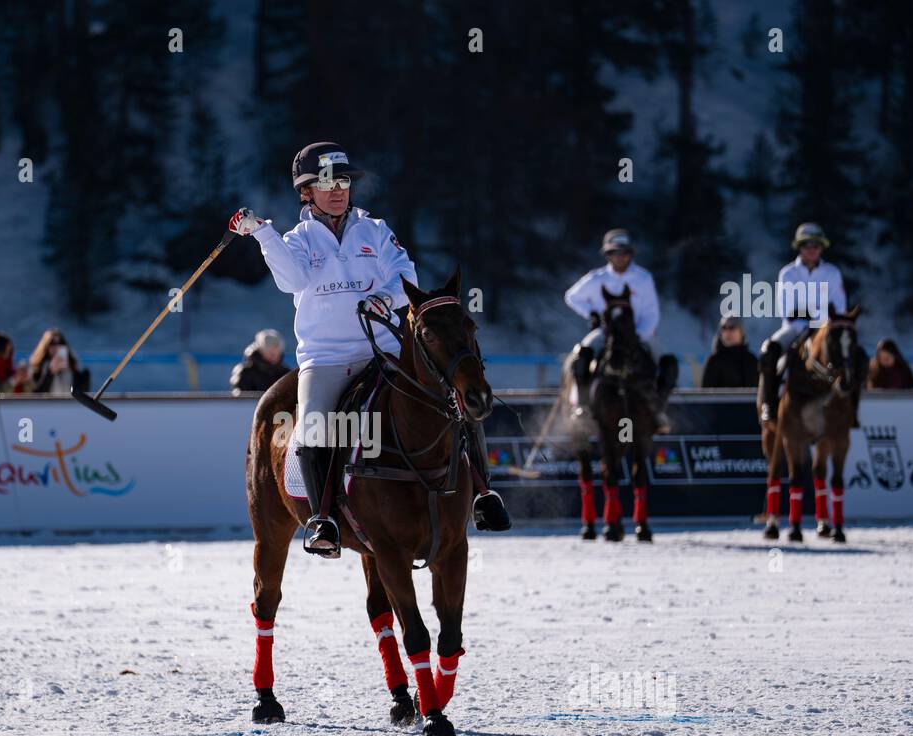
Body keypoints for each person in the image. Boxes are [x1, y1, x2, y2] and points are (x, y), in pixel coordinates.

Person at [229, 140, 510, 557]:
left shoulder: (375, 229)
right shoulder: (298, 239)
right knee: (313, 428)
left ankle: (484, 495)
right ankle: (323, 518)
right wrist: (262, 233)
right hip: (324, 359)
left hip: (380, 352)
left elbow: (404, 274)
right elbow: (291, 279)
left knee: (452, 401)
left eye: (342, 180)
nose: (337, 189)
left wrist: (384, 297)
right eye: (326, 182)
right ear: (307, 192)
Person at [563, 229, 669, 426]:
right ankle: (582, 407)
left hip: (638, 334)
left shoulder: (643, 279)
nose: (620, 257)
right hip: (604, 334)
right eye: (615, 253)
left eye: (624, 252)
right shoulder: (596, 278)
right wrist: (591, 313)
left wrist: (639, 336)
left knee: (666, 363)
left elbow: (651, 313)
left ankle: (659, 410)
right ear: (607, 255)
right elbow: (571, 296)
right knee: (581, 356)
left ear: (631, 254)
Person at [758, 222, 852, 423]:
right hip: (795, 329)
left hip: (825, 330)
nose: (811, 250)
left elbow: (840, 309)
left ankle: (852, 407)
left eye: (815, 245)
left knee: (851, 355)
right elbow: (788, 311)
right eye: (806, 245)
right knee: (769, 352)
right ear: (799, 247)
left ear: (821, 247)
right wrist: (819, 314)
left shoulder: (832, 273)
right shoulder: (788, 273)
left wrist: (821, 319)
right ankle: (768, 404)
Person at [700, 315, 759, 388]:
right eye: (724, 328)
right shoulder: (714, 361)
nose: (727, 332)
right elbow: (705, 395)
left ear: (741, 331)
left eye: (732, 327)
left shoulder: (752, 361)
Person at [230, 329, 291, 395]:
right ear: (261, 351)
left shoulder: (286, 374)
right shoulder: (245, 372)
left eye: (277, 352)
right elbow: (241, 400)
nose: (274, 355)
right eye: (270, 352)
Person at [29, 328, 90, 394]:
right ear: (45, 346)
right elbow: (36, 394)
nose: (56, 347)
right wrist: (50, 373)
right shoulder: (37, 367)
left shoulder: (71, 365)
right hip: (48, 404)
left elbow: (81, 392)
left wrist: (76, 372)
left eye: (60, 343)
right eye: (52, 343)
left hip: (68, 403)